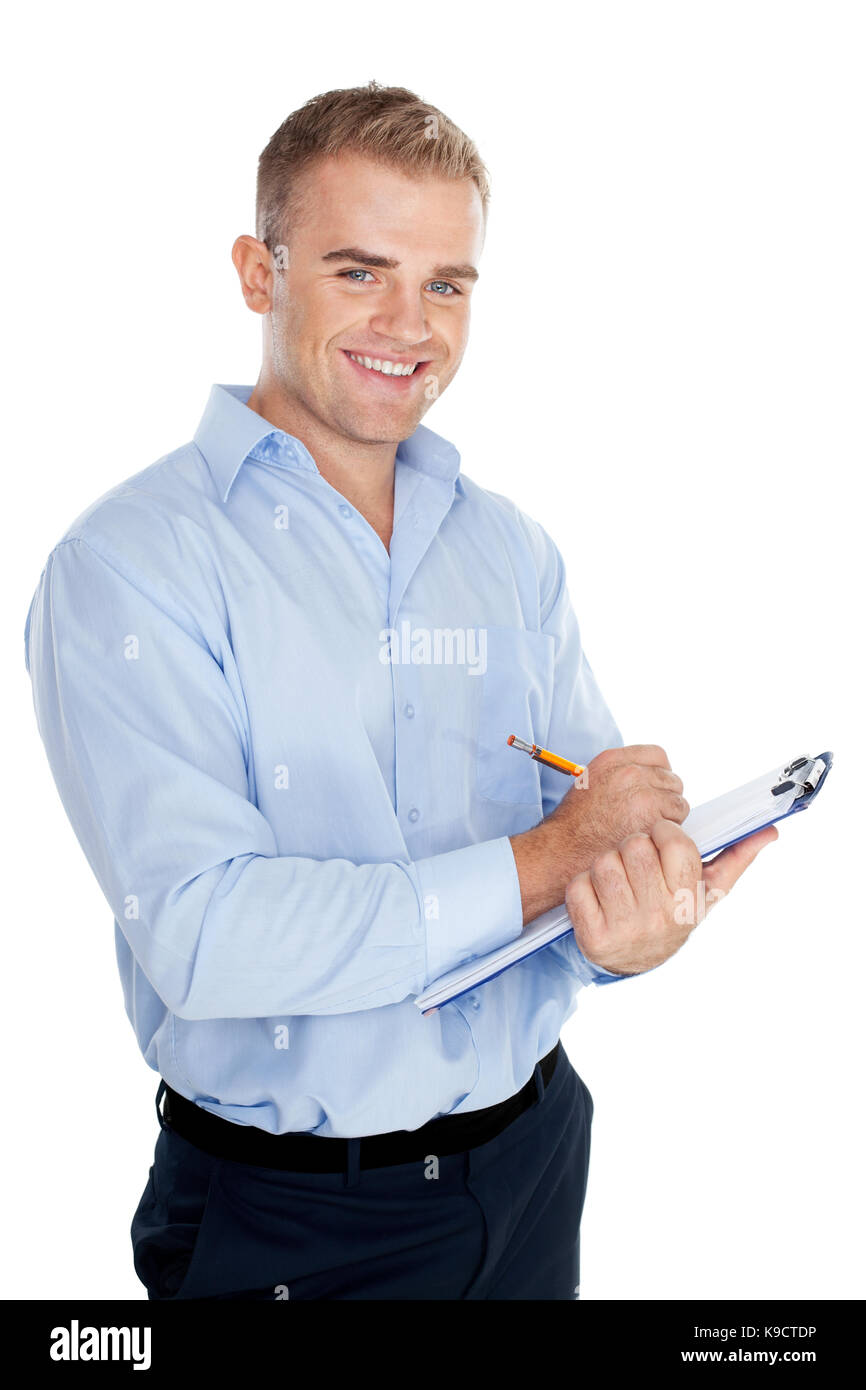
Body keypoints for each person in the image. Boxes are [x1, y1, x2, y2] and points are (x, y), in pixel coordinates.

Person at [24, 82, 775, 1301]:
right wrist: (548, 858)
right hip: (293, 1221)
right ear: (257, 275)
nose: (406, 322)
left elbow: (576, 859)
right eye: (359, 270)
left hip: (533, 1162)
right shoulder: (128, 568)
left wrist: (629, 927)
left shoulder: (509, 550)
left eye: (445, 283)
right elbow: (208, 939)